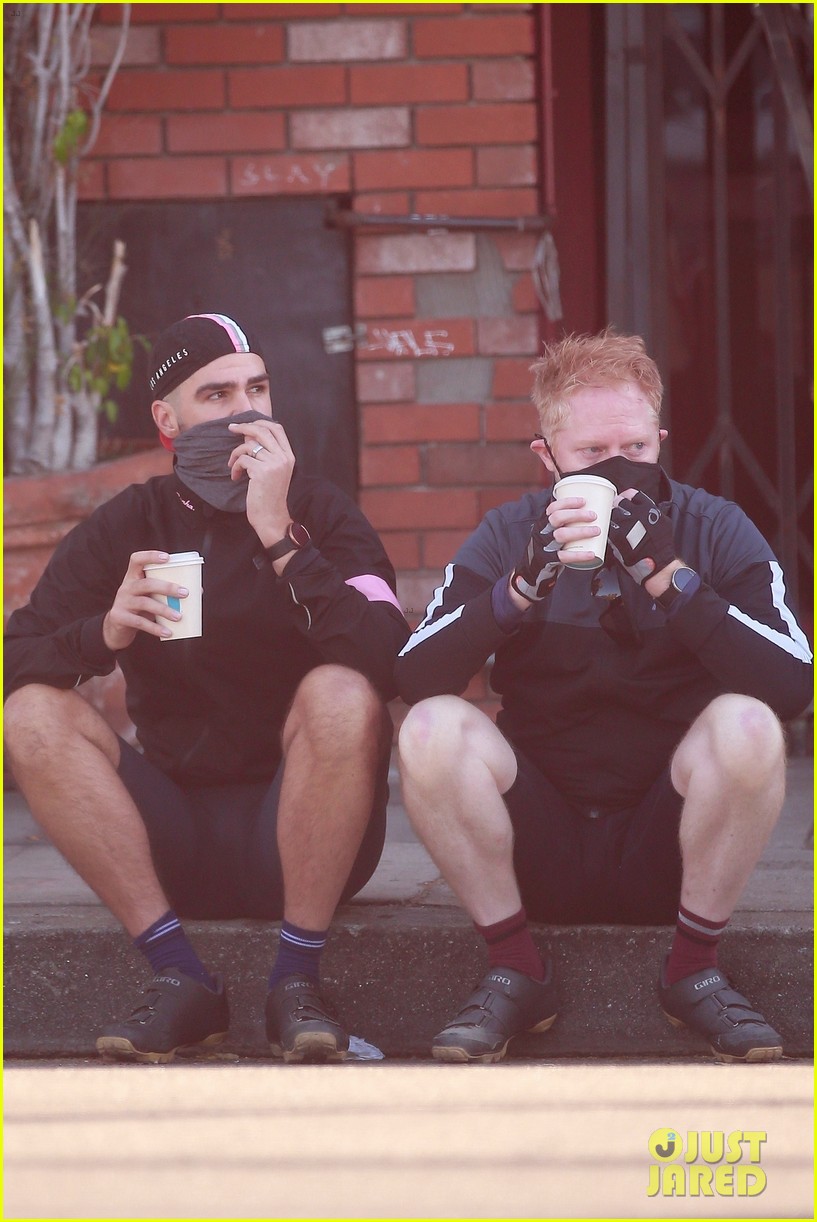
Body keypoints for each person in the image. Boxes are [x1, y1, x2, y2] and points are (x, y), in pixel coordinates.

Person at [395, 329, 812, 1065]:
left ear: (659, 441)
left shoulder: (713, 528)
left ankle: (692, 969)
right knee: (431, 729)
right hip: (539, 844)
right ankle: (517, 966)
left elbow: (790, 683)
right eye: (590, 455)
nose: (617, 470)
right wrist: (515, 592)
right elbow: (413, 677)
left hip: (670, 845)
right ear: (546, 457)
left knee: (746, 724)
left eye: (634, 449)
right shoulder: (509, 534)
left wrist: (673, 581)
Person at [4, 311, 409, 1064]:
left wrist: (280, 536)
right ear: (168, 418)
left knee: (341, 690)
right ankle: (179, 977)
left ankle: (297, 981)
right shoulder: (133, 521)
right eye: (216, 395)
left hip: (305, 835)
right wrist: (105, 633)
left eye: (256, 389)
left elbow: (387, 659)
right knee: (30, 714)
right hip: (170, 835)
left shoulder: (318, 511)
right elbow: (15, 655)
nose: (244, 411)